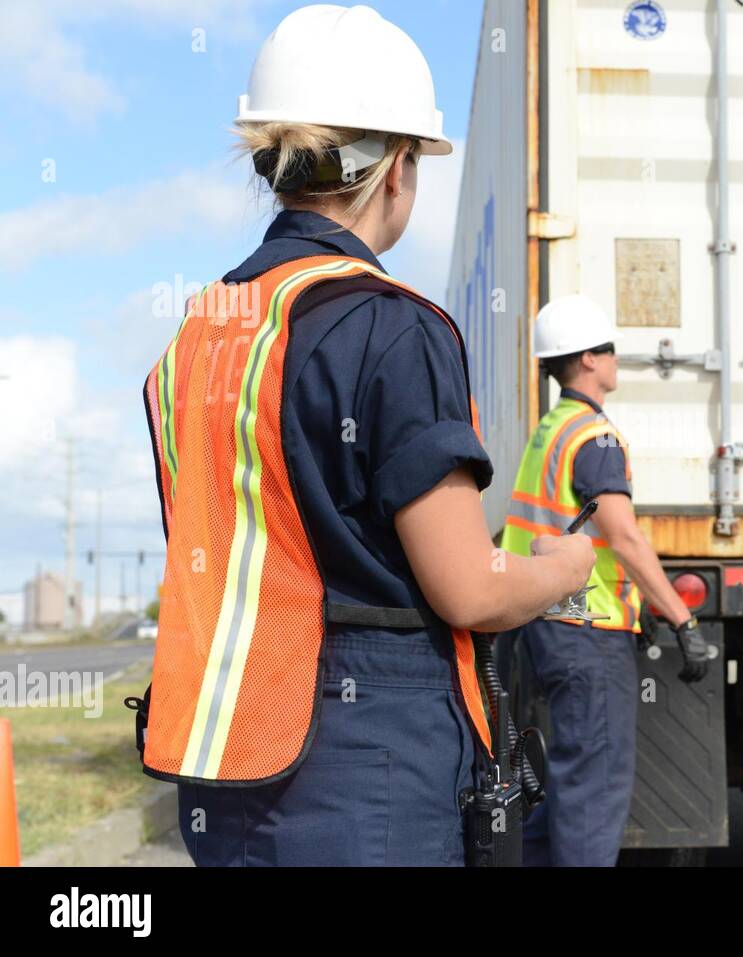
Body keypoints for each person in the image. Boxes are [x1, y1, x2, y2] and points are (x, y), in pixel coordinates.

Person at [136, 4, 593, 866]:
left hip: (225, 752)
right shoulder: (392, 326)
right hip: (365, 767)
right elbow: (470, 588)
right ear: (397, 170)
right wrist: (565, 570)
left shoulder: (198, 334)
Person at [501, 294, 711, 867]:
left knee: (571, 782)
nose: (617, 359)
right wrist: (681, 616)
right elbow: (623, 536)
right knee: (596, 785)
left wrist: (635, 607)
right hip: (585, 630)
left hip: (547, 624)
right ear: (588, 360)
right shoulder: (594, 437)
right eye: (610, 349)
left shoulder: (552, 428)